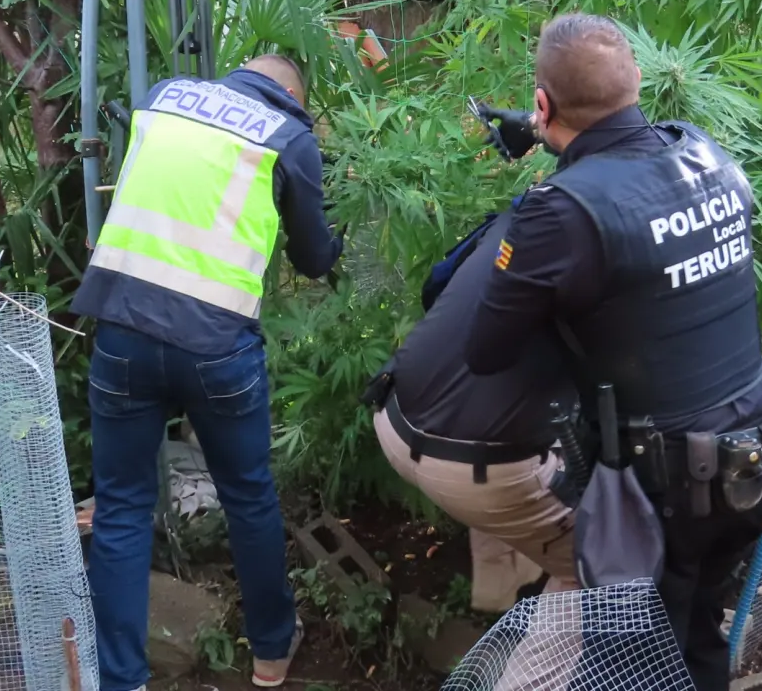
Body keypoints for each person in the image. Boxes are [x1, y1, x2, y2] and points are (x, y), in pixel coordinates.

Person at [463, 14, 762, 691]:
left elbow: (486, 350)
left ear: (544, 101)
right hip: (755, 457)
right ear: (636, 79)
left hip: (664, 493)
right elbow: (633, 182)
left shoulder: (559, 212)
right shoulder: (701, 151)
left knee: (627, 670)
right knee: (696, 641)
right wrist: (542, 130)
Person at [75, 55, 341, 691]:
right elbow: (312, 258)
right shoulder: (289, 137)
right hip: (217, 347)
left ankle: (121, 680)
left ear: (243, 76)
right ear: (290, 95)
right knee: (248, 496)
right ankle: (270, 655)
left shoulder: (165, 97)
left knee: (120, 506)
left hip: (123, 329)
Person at [369, 201, 579, 599]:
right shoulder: (623, 244)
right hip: (478, 467)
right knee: (611, 568)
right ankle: (533, 632)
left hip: (395, 411)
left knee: (508, 424)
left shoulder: (530, 208)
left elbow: (436, 285)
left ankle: (505, 598)